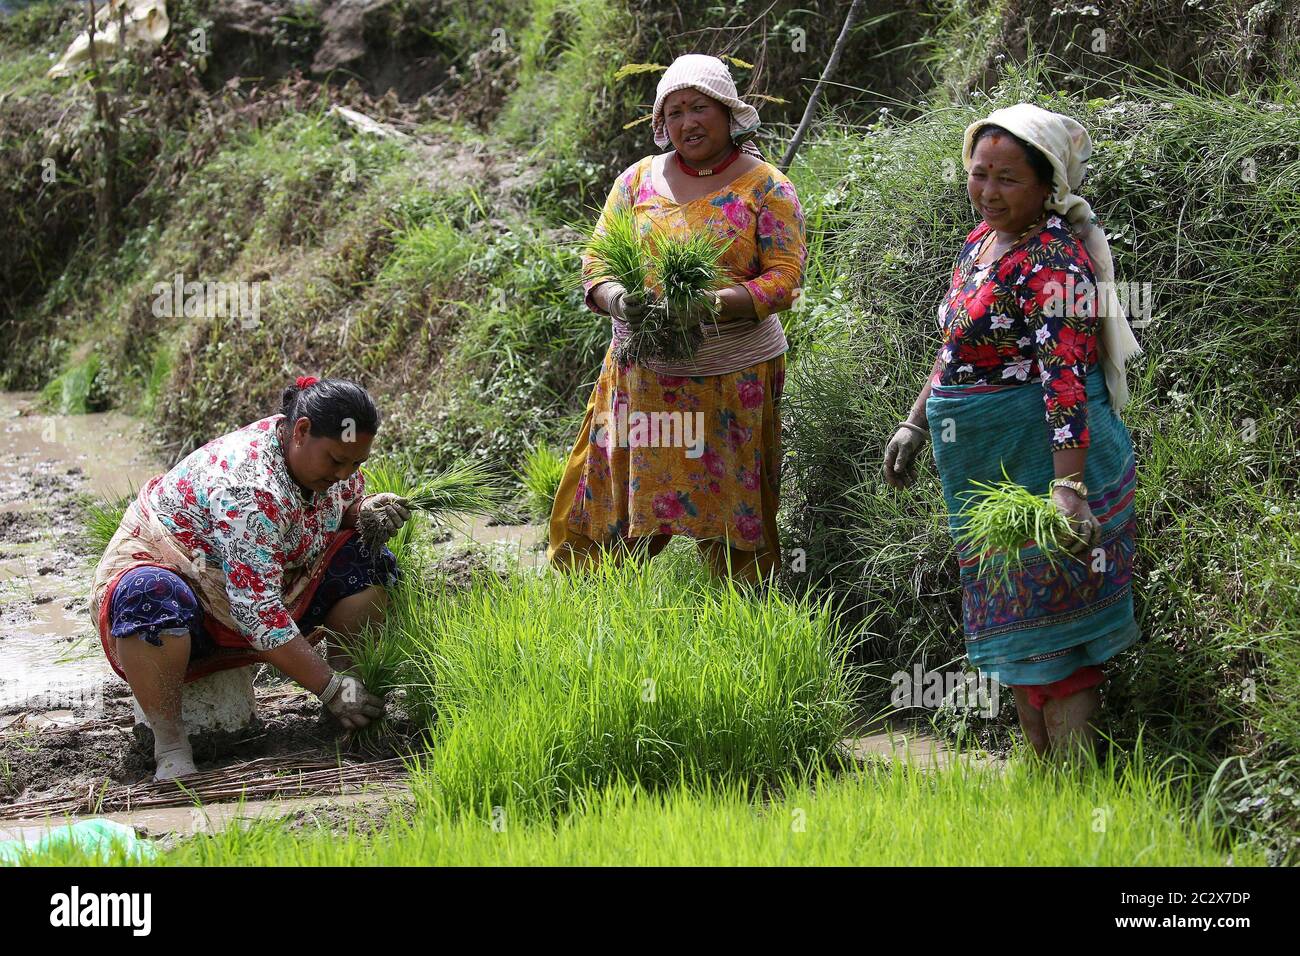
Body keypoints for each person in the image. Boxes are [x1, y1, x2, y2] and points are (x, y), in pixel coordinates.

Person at [882, 103, 1143, 758]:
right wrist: (914, 423)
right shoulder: (980, 245)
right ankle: (1044, 790)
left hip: (1041, 468)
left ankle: (1077, 797)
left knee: (1059, 641)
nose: (989, 192)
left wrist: (1068, 490)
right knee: (1027, 644)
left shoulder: (1053, 264)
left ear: (1045, 187)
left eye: (1007, 180)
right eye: (979, 175)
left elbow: (1063, 382)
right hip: (986, 475)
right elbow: (953, 345)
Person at [548, 53, 807, 586]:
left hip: (732, 380)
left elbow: (785, 280)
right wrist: (619, 299)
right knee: (619, 496)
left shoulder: (767, 187)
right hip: (643, 378)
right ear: (662, 123)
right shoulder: (638, 179)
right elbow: (595, 260)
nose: (687, 122)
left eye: (700, 108)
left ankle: (743, 608)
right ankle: (597, 599)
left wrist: (711, 304)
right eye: (675, 111)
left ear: (728, 113)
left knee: (732, 503)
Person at [90, 376, 412, 779]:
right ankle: (170, 745)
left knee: (370, 559)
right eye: (336, 461)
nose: (345, 474)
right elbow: (258, 613)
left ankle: (347, 713)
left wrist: (364, 509)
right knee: (149, 596)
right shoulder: (248, 487)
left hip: (266, 583)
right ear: (302, 431)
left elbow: (332, 511)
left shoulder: (329, 463)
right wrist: (329, 689)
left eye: (356, 464)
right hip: (186, 584)